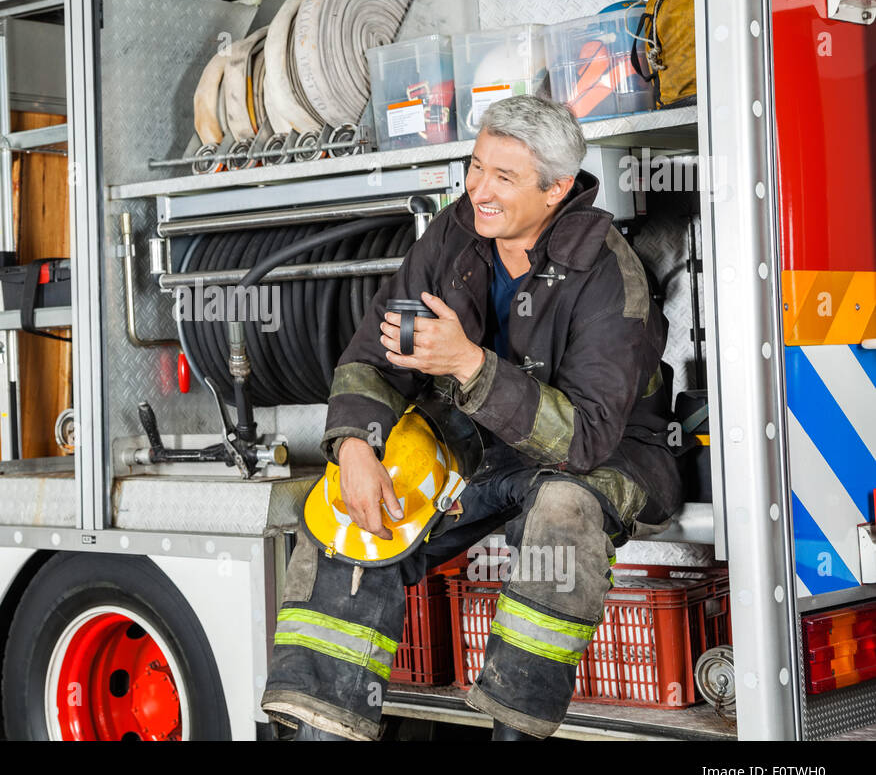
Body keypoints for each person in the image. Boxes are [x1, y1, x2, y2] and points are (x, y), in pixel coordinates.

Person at [261, 94, 682, 740]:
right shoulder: (455, 234)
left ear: (556, 189)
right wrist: (353, 445)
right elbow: (372, 356)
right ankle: (321, 723)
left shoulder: (608, 277)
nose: (478, 190)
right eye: (476, 166)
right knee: (350, 501)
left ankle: (514, 728)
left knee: (562, 513)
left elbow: (587, 438)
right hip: (481, 444)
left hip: (614, 453)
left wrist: (468, 365)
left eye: (503, 178)